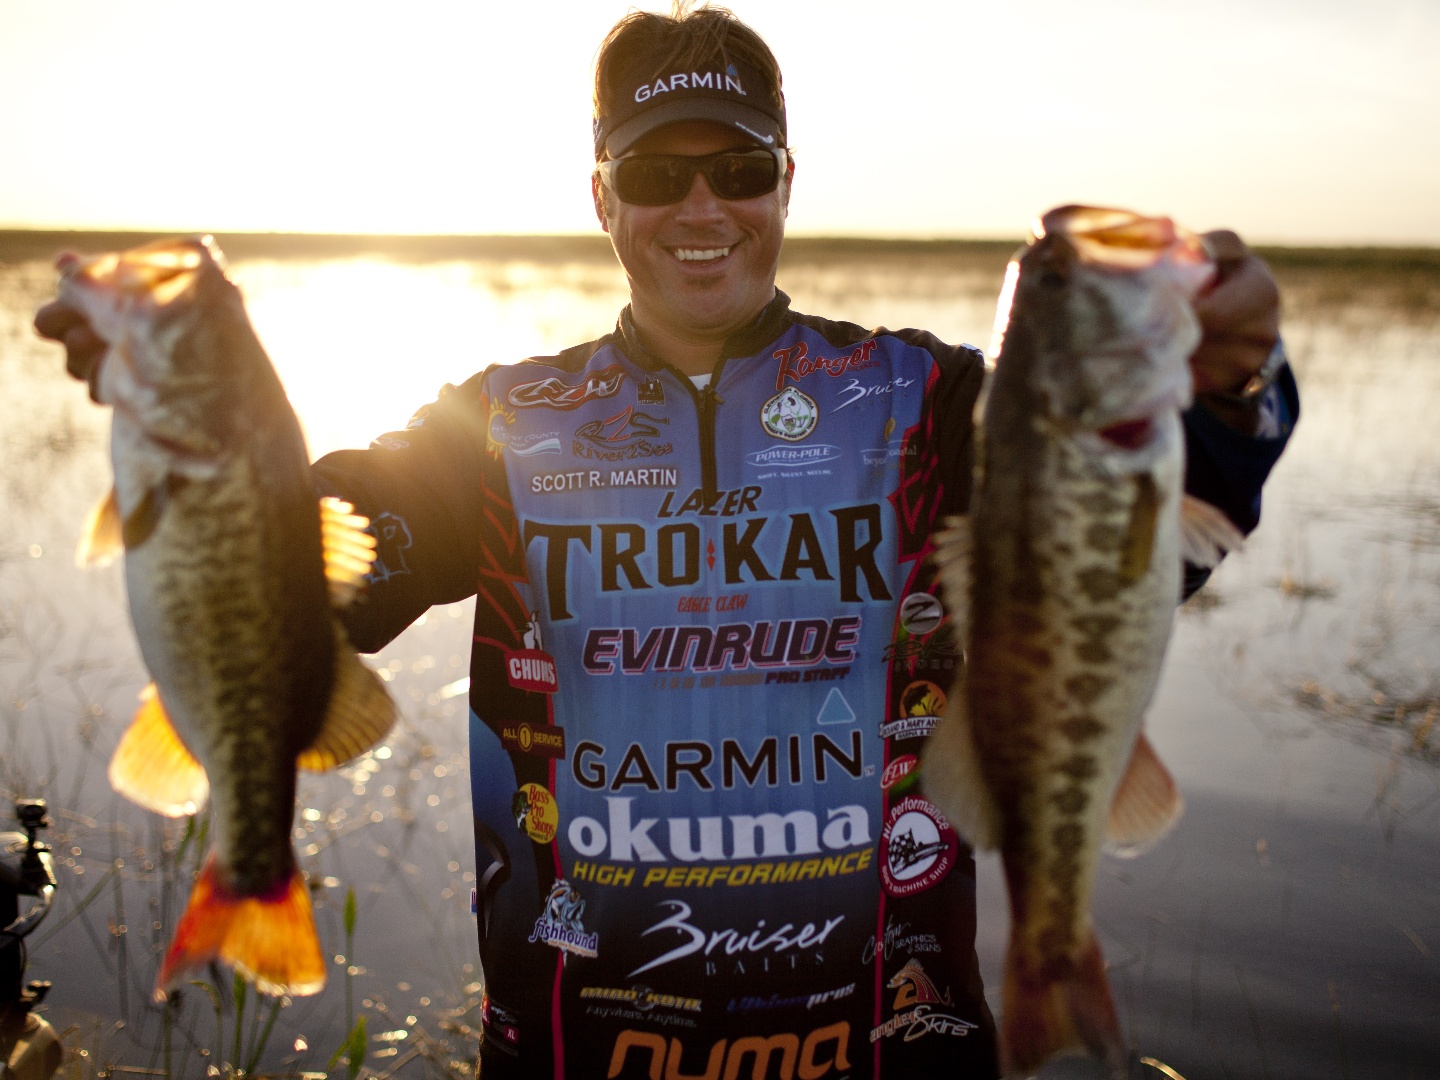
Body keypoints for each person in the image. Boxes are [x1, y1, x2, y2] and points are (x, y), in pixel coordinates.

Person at [36, 6, 1297, 1077]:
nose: (702, 205)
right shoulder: (496, 426)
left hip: (890, 1040)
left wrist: (1234, 382)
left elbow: (1130, 536)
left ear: (787, 183)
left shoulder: (931, 402)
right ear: (602, 197)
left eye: (739, 166)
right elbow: (314, 586)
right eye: (653, 172)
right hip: (577, 1044)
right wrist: (195, 429)